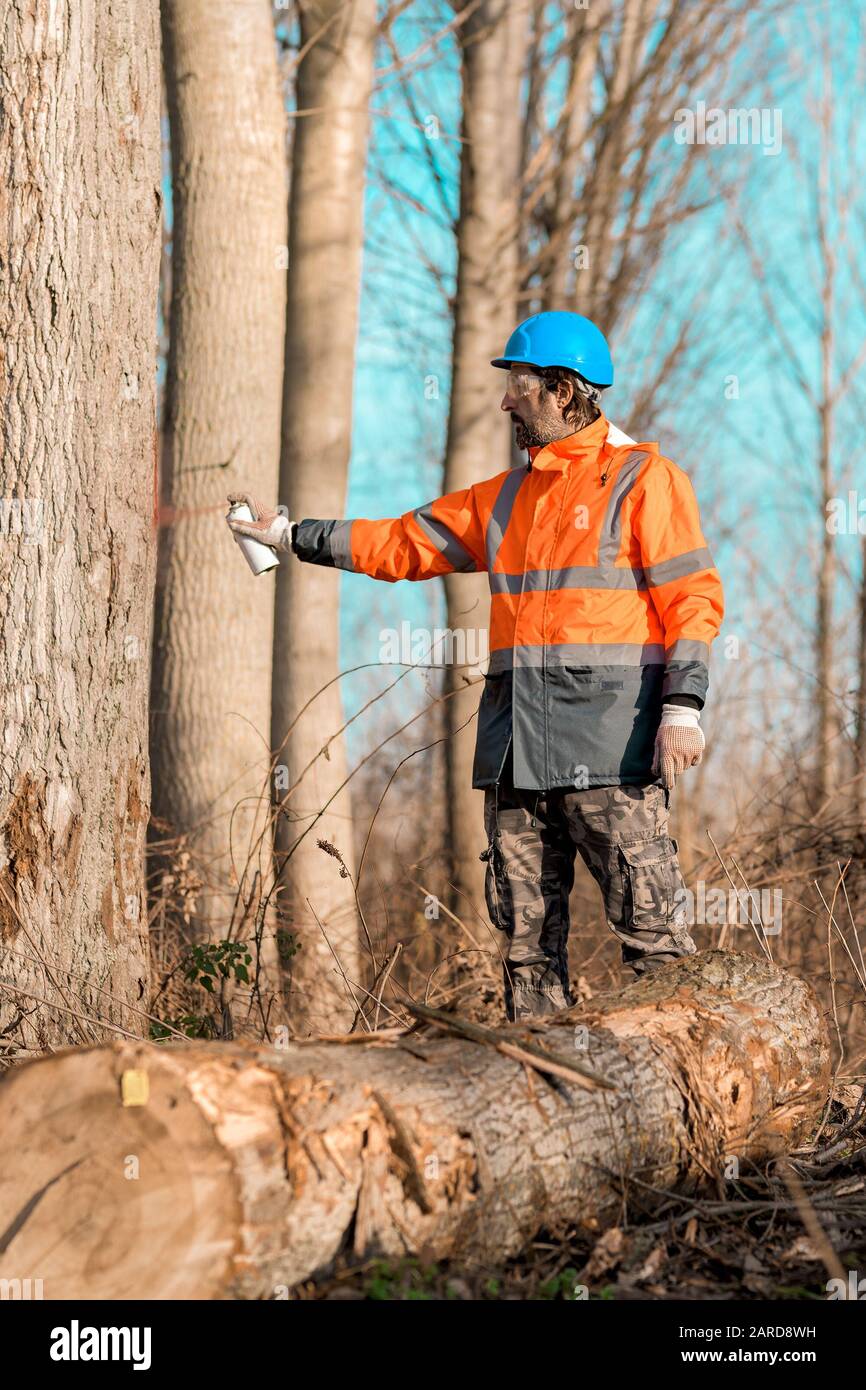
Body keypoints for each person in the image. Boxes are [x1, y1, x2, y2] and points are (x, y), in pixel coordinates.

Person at [228, 311, 725, 1021]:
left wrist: (683, 708)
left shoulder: (644, 480)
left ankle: (685, 1104)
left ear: (563, 391)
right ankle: (542, 1102)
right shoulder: (503, 499)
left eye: (517, 387)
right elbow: (400, 542)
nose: (505, 403)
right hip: (515, 759)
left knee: (655, 945)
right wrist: (289, 536)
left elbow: (694, 598)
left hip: (614, 755)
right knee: (526, 955)